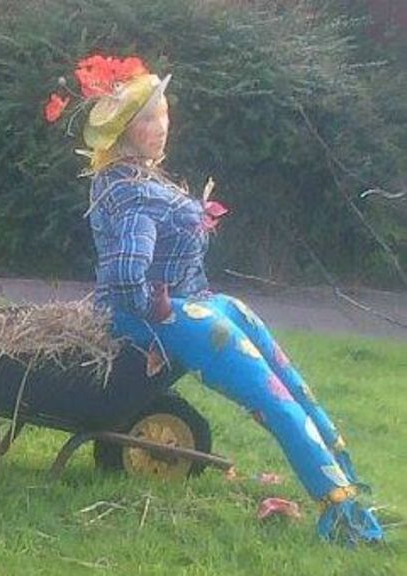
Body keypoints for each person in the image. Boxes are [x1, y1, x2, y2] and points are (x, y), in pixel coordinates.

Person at [54, 55, 383, 545]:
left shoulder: (138, 179)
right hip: (149, 318)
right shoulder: (132, 193)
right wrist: (155, 309)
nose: (161, 127)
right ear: (123, 130)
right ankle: (342, 512)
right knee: (270, 396)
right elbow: (125, 273)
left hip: (189, 302)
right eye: (148, 119)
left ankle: (346, 477)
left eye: (163, 115)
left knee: (280, 373)